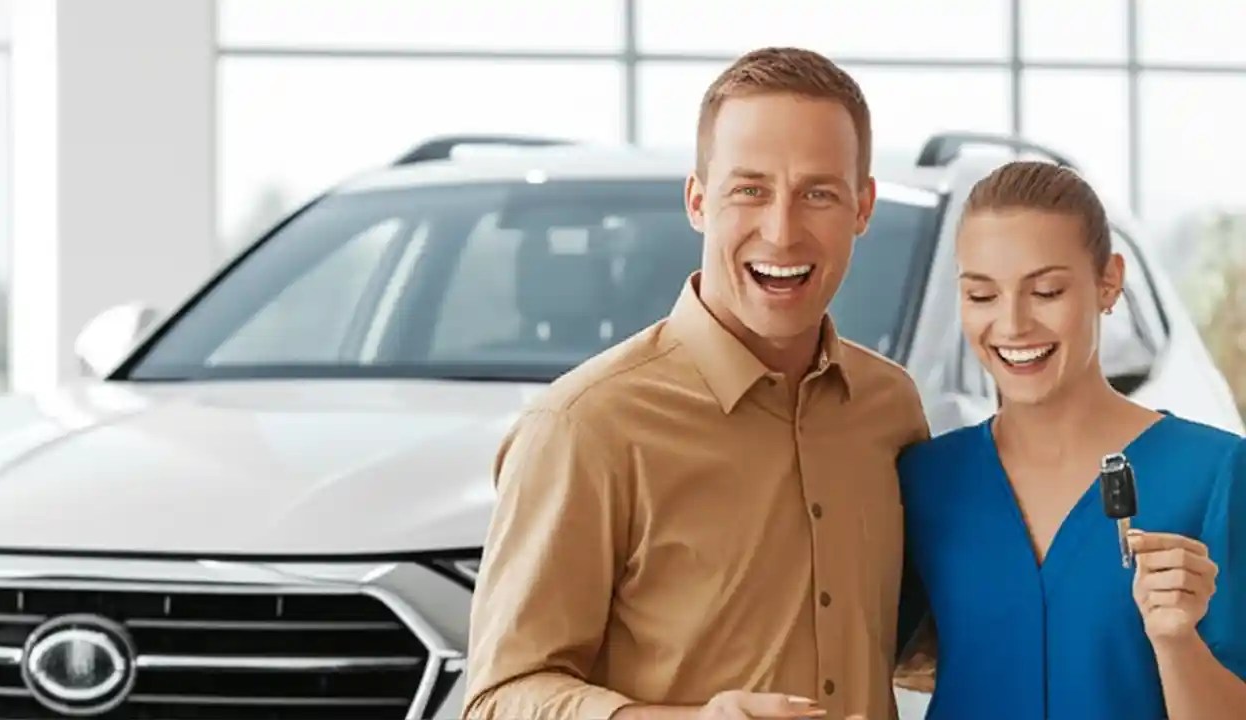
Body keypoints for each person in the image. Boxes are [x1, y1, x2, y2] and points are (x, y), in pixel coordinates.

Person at [462, 46, 930, 720]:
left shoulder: (890, 408)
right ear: (698, 200)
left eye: (818, 194)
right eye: (750, 190)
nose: (782, 230)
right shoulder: (583, 428)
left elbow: (915, 641)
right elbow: (496, 701)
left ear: (862, 207)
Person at [895, 160, 1246, 719]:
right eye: (982, 296)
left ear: (1108, 282)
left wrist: (1177, 643)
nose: (1011, 325)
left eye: (1046, 291)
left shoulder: (1214, 475)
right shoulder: (927, 480)